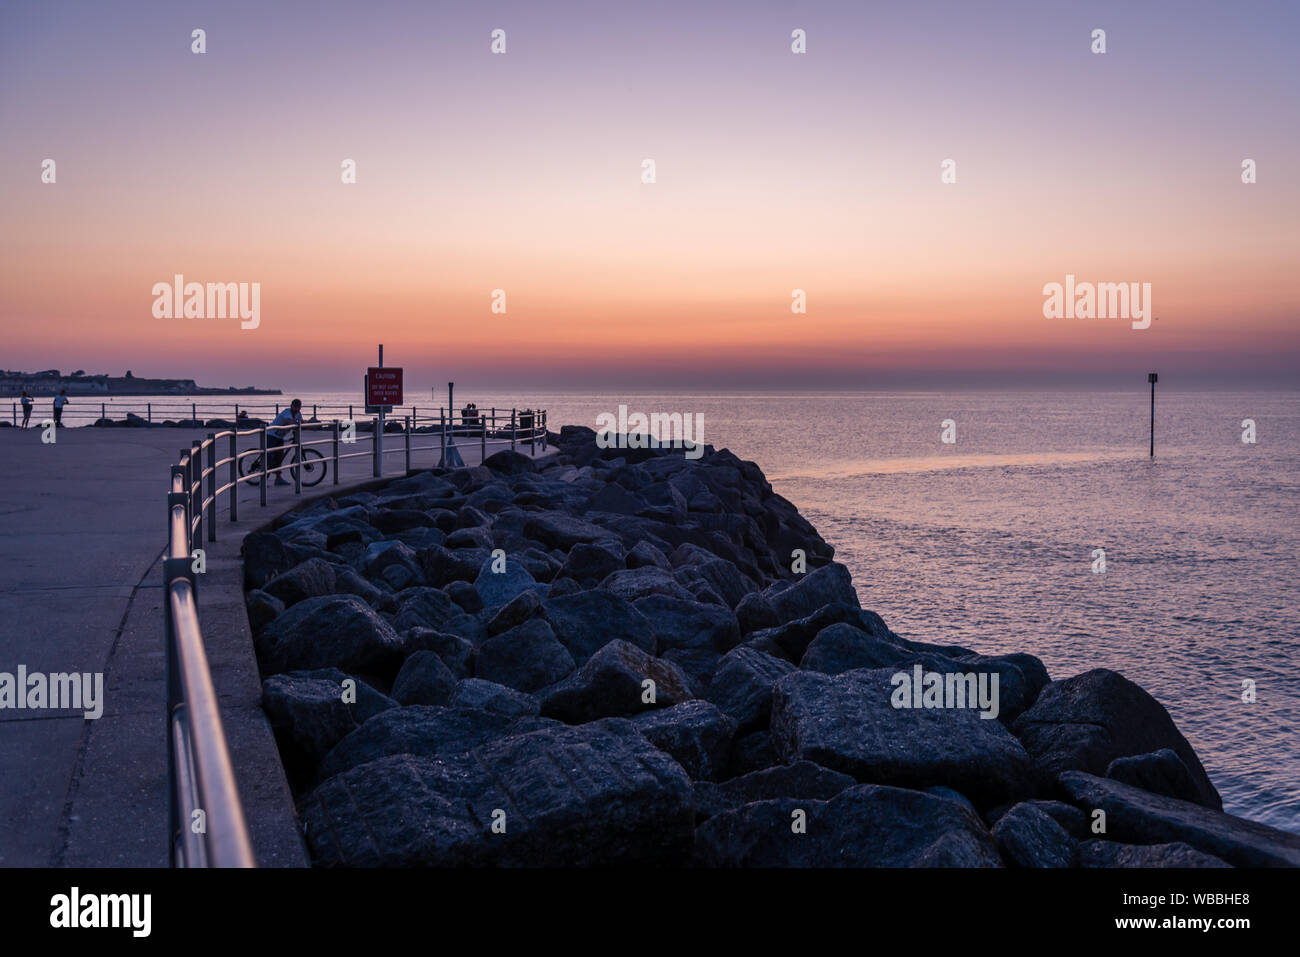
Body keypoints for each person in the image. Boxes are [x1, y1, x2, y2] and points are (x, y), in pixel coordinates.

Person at [266, 399, 304, 486]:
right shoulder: (286, 412)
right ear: (291, 406)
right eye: (295, 407)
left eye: (299, 407)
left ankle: (278, 479)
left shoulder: (298, 414)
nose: (297, 409)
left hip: (280, 437)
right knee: (268, 457)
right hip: (271, 434)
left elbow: (301, 423)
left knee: (279, 457)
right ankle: (262, 480)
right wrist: (298, 424)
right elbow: (289, 421)